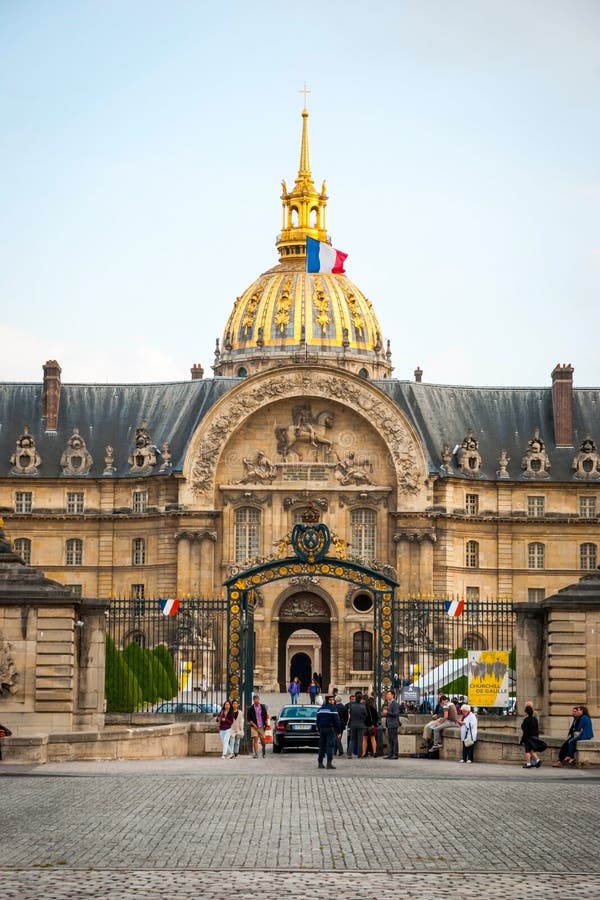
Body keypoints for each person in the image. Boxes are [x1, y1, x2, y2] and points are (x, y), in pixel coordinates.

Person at [316, 695, 342, 769]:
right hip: (330, 729)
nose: (333, 701)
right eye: (332, 700)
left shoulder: (320, 709)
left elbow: (317, 720)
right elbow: (337, 721)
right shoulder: (333, 709)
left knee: (322, 746)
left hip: (322, 729)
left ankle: (320, 763)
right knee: (330, 746)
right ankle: (329, 763)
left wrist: (319, 728)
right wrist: (339, 732)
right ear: (330, 700)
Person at [520, 701, 543, 768]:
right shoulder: (534, 719)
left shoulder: (526, 719)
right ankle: (537, 760)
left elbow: (525, 730)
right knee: (532, 750)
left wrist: (522, 739)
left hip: (529, 737)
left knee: (527, 750)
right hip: (535, 735)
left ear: (526, 712)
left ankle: (529, 764)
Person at [247, 693, 269, 758]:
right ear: (253, 700)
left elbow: (265, 716)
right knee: (255, 739)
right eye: (255, 700)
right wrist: (254, 725)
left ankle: (263, 749)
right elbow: (249, 718)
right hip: (254, 726)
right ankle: (256, 753)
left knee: (263, 740)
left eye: (257, 700)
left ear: (259, 700)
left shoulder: (262, 707)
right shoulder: (251, 708)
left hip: (261, 726)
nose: (256, 701)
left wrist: (266, 724)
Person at [347, 691, 368, 758]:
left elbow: (350, 713)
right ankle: (359, 754)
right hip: (361, 724)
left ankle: (349, 754)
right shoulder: (363, 706)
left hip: (353, 724)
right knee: (360, 739)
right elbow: (366, 715)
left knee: (352, 739)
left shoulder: (352, 705)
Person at [384, 689, 401, 759]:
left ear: (393, 695)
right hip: (389, 724)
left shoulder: (394, 703)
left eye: (389, 694)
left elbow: (396, 713)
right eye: (387, 695)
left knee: (394, 739)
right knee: (390, 740)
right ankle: (390, 754)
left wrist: (387, 713)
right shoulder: (389, 703)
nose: (387, 696)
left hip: (393, 724)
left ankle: (395, 754)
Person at [334, 691, 348, 756]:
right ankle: (337, 751)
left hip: (335, 724)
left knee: (336, 737)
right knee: (339, 737)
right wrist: (345, 723)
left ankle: (339, 750)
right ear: (341, 700)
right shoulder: (344, 707)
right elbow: (346, 717)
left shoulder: (334, 707)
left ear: (335, 700)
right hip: (342, 724)